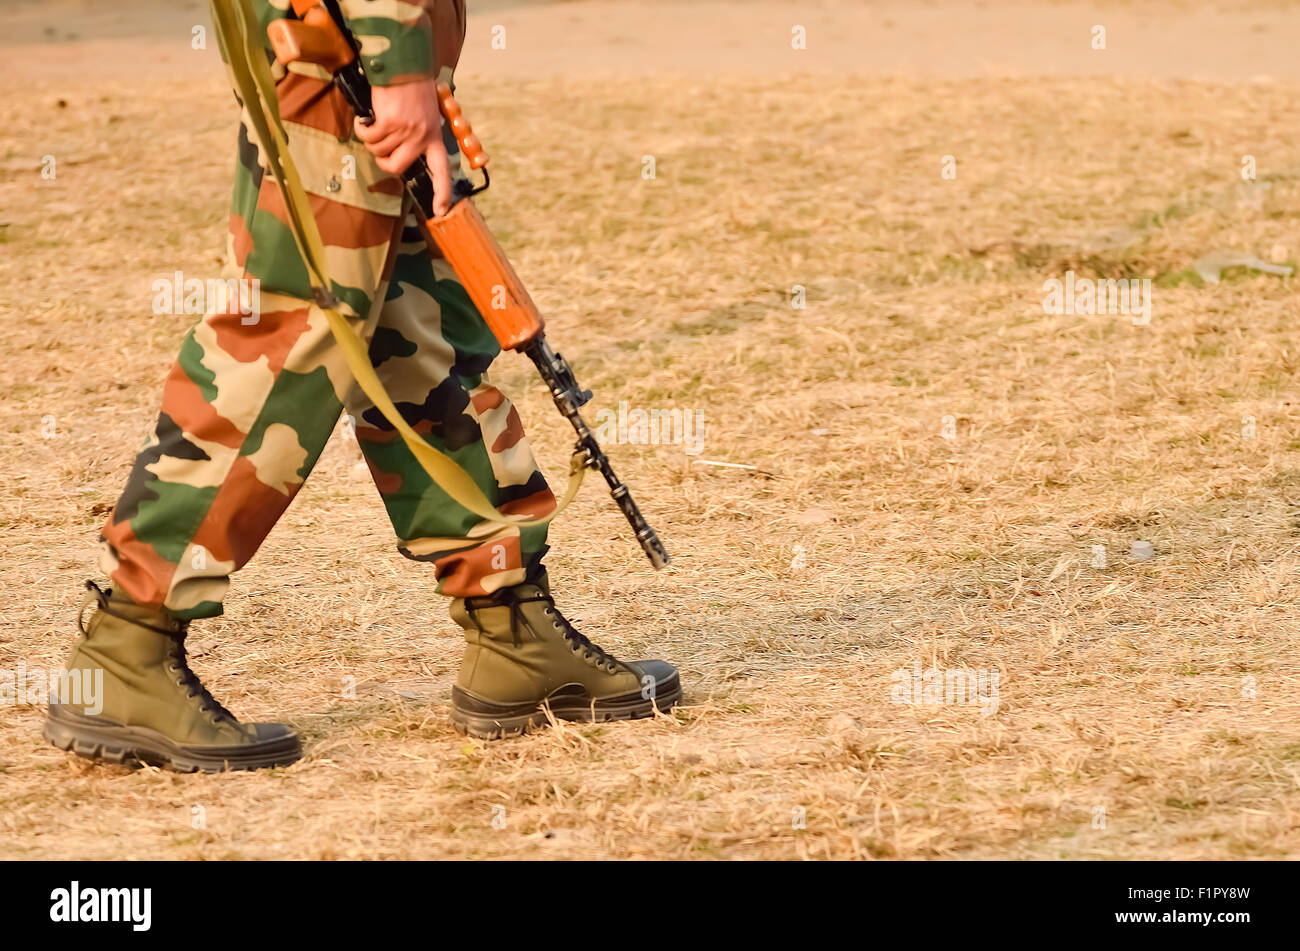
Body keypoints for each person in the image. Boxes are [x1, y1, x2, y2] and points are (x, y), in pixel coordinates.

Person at [43, 0, 680, 772]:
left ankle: (511, 628)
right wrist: (397, 60)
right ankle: (127, 642)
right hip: (349, 50)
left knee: (413, 330)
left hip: (364, 49)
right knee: (297, 337)